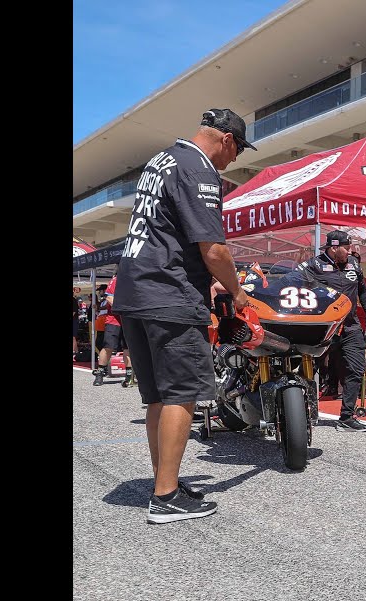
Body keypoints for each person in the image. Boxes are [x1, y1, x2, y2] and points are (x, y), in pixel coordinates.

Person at [114, 107, 254, 524]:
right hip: (169, 295)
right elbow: (213, 248)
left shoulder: (162, 159)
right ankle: (166, 497)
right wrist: (237, 291)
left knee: (157, 395)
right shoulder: (200, 168)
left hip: (136, 289)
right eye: (237, 150)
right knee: (183, 393)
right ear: (226, 139)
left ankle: (165, 480)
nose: (234, 160)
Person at [294, 230, 366, 432]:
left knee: (355, 369)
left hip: (350, 325)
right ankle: (299, 411)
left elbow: (362, 290)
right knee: (309, 370)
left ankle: (347, 417)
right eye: (346, 247)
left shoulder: (354, 264)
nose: (350, 251)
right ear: (334, 247)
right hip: (321, 327)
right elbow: (291, 282)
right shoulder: (313, 265)